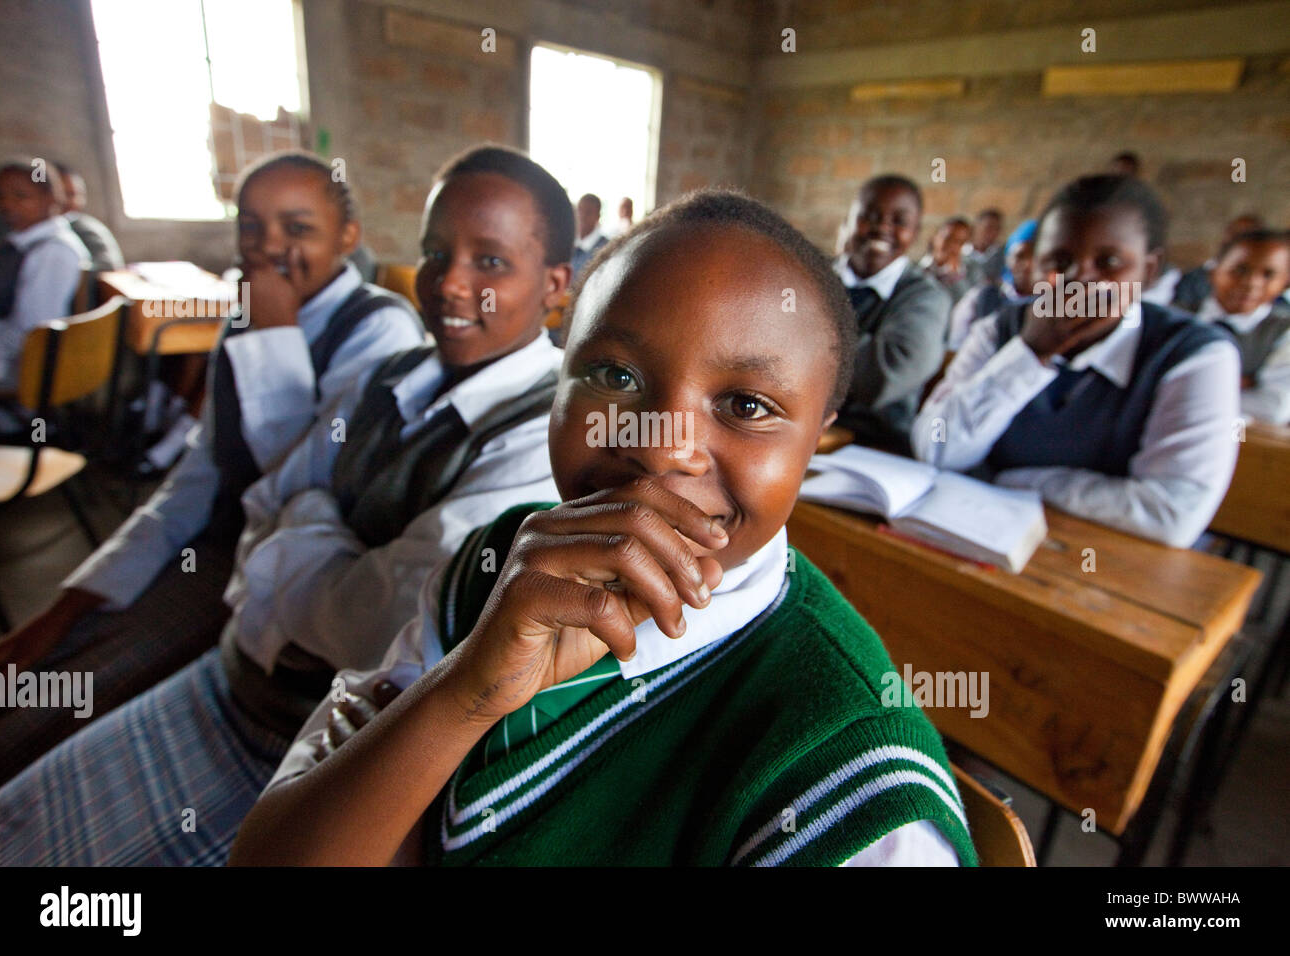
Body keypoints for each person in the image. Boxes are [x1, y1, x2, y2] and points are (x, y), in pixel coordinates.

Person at [231, 189, 978, 867]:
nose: (657, 444)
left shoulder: (848, 775)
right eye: (615, 377)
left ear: (818, 437)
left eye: (746, 406)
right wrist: (466, 692)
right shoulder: (494, 564)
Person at [0, 145, 574, 866]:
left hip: (309, 747)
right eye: (433, 252)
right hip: (235, 673)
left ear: (556, 285)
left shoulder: (539, 433)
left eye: (490, 263)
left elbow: (381, 620)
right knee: (14, 823)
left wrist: (303, 524)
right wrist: (314, 535)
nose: (450, 284)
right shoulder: (394, 375)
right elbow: (270, 492)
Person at [0, 150, 423, 790]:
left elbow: (304, 493)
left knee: (63, 705)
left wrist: (274, 331)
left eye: (297, 228)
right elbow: (197, 475)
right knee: (34, 664)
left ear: (346, 237)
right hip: (211, 543)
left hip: (273, 578)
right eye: (252, 226)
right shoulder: (246, 315)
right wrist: (71, 601)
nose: (269, 247)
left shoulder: (381, 331)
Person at [912, 174, 1240, 549]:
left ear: (1148, 272)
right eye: (1059, 260)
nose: (1079, 279)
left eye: (1108, 262)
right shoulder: (999, 330)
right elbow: (936, 448)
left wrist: (1019, 481)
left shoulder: (1194, 355)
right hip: (990, 537)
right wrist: (1031, 353)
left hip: (1117, 565)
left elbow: (1171, 513)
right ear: (1035, 265)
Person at [833, 174, 950, 454]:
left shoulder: (925, 297)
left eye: (899, 221)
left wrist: (796, 339)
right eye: (869, 216)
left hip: (874, 444)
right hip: (787, 429)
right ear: (849, 220)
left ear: (916, 231)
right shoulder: (807, 275)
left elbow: (886, 374)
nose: (882, 228)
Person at [0, 159, 90, 390]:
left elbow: (33, 333)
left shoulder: (52, 252)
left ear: (51, 199)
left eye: (21, 196)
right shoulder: (21, 242)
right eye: (1, 196)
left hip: (18, 367)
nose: (7, 205)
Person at [1195, 228, 1290, 425]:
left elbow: (1274, 406)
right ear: (1214, 270)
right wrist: (1237, 385)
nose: (1251, 283)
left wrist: (1189, 389)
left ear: (1284, 284)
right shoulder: (1177, 315)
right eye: (1240, 269)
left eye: (1268, 275)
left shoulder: (1283, 331)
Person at [948, 218, 1037, 349]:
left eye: (1035, 258)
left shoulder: (1048, 307)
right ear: (1008, 259)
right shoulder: (983, 296)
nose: (1027, 265)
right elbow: (955, 343)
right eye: (1020, 256)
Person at [1171, 213, 1266, 314]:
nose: (1236, 241)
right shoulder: (1193, 278)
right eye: (1233, 233)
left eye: (1247, 237)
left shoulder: (1263, 291)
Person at [54, 161, 124, 273]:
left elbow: (107, 267)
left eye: (75, 194)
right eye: (63, 193)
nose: (70, 202)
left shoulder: (84, 228)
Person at [919, 216, 972, 305]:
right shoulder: (918, 268)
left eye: (958, 242)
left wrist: (955, 275)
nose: (951, 245)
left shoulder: (972, 271)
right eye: (947, 238)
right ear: (935, 237)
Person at [964, 208, 1005, 287]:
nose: (992, 233)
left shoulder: (1003, 256)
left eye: (997, 229)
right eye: (988, 227)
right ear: (976, 227)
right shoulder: (961, 252)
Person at [571, 193, 607, 276]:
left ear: (598, 216)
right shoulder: (569, 244)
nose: (582, 215)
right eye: (579, 210)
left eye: (589, 212)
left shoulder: (605, 249)